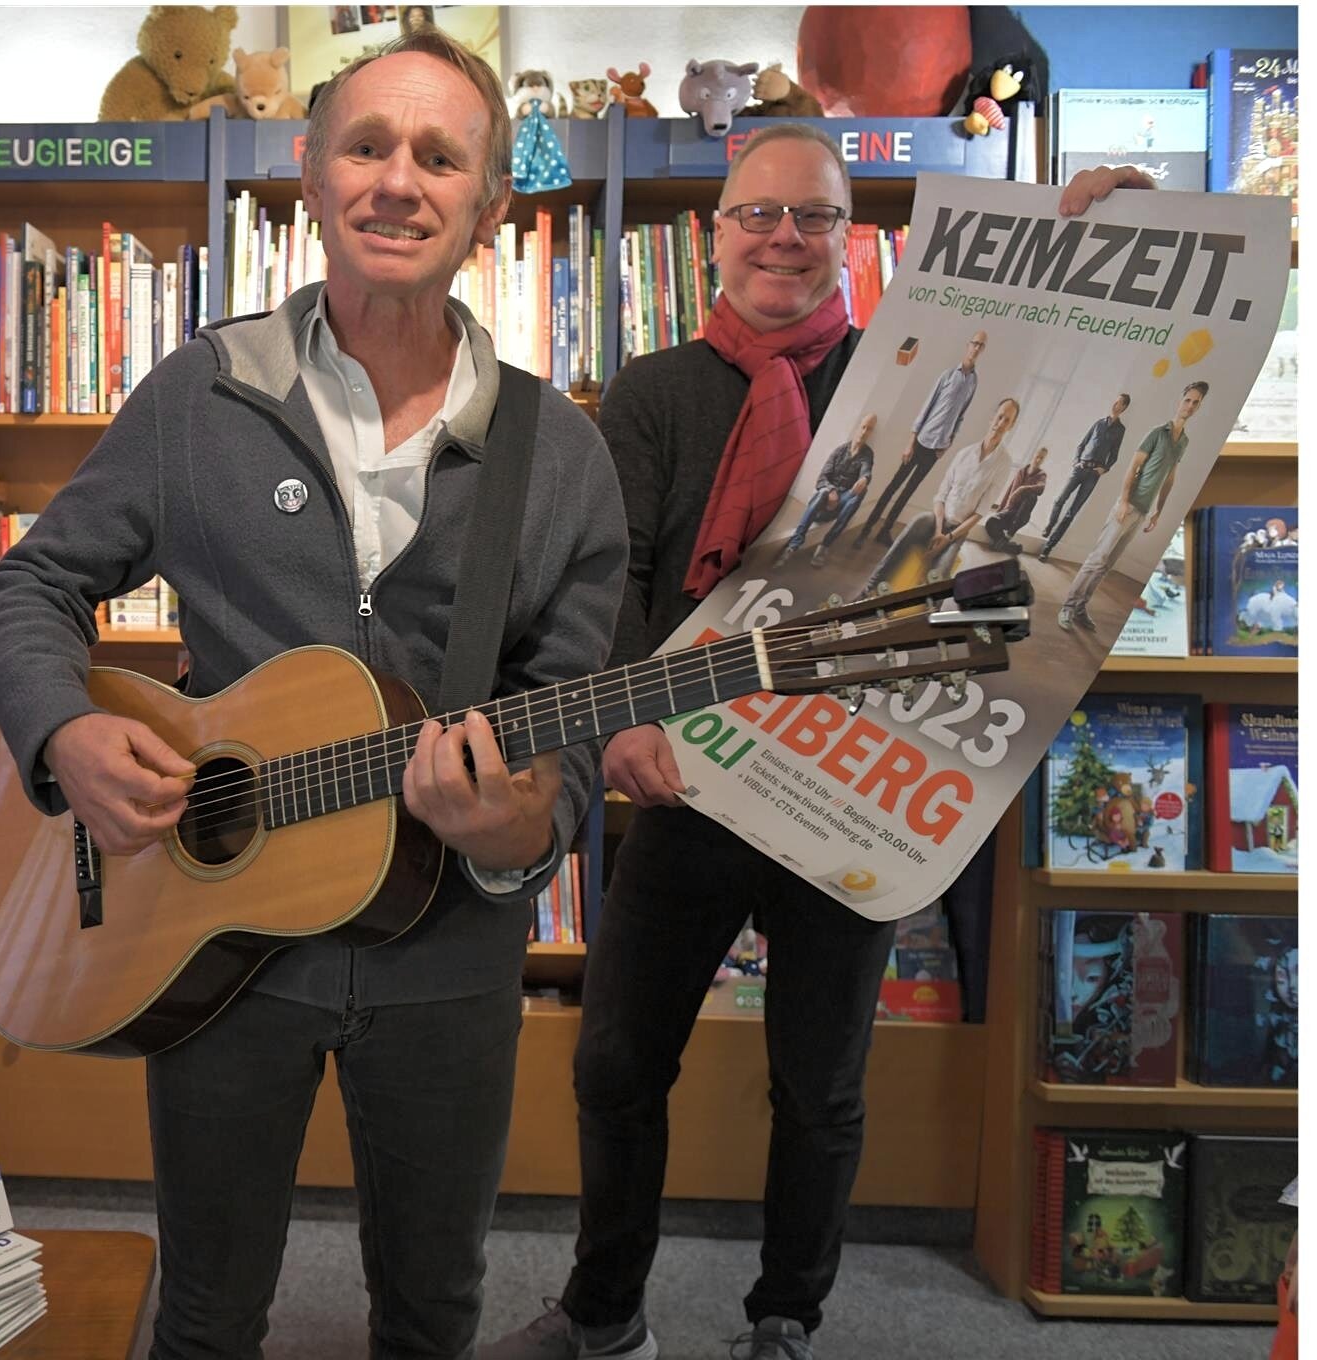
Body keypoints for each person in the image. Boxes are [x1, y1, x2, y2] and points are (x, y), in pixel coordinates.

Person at [0, 29, 626, 1360]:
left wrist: (514, 829)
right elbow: (30, 590)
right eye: (368, 146)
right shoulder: (200, 394)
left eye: (440, 156)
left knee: (435, 1309)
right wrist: (67, 730)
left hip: (447, 958)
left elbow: (566, 734)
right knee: (208, 1312)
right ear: (311, 177)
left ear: (489, 204)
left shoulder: (557, 453)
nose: (400, 180)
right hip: (212, 940)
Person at [483, 129, 1154, 1360]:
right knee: (619, 1064)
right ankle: (602, 1310)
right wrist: (624, 712)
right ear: (717, 235)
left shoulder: (906, 369)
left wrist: (1097, 226)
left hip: (846, 783)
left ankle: (787, 1316)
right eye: (758, 215)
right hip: (687, 779)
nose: (783, 236)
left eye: (813, 216)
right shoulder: (653, 390)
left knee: (822, 1087)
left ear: (849, 238)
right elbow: (616, 575)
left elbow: (1062, 353)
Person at [1058, 380, 1207, 634]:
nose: (1190, 406)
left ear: (1199, 407)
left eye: (1196, 403)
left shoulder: (1183, 442)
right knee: (1097, 559)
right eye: (1187, 400)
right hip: (1126, 507)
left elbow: (1169, 476)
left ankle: (1081, 608)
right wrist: (1124, 501)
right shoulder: (1156, 434)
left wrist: (1158, 510)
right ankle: (1067, 608)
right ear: (1179, 402)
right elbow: (1133, 467)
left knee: (1108, 565)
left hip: (1143, 511)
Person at [856, 395, 1020, 595]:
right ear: (992, 417)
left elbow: (980, 512)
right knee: (917, 522)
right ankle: (868, 589)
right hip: (938, 520)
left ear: (1011, 426)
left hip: (958, 531)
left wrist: (948, 537)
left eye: (1007, 420)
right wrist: (938, 531)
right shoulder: (964, 454)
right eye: (1000, 416)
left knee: (938, 578)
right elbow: (941, 495)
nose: (1001, 423)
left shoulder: (1003, 464)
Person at [851, 328, 985, 547]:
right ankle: (865, 531)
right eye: (975, 343)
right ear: (968, 345)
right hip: (921, 441)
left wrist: (949, 442)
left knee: (907, 492)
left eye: (981, 346)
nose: (977, 348)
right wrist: (910, 441)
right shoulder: (948, 376)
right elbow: (926, 408)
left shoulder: (973, 382)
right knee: (893, 487)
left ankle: (884, 531)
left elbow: (961, 415)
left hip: (936, 450)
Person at [772, 412, 874, 568]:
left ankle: (825, 546)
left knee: (862, 492)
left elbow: (866, 470)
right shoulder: (840, 451)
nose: (864, 432)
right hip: (823, 504)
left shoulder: (868, 454)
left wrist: (865, 479)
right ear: (858, 427)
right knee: (823, 492)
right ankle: (793, 544)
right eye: (863, 427)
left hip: (842, 505)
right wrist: (831, 490)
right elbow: (822, 478)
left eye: (869, 429)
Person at [1037, 393, 1129, 559]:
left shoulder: (1120, 430)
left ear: (1124, 407)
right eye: (1114, 400)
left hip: (1093, 475)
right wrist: (1076, 462)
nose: (1115, 404)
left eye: (1119, 402)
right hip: (1080, 468)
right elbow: (1082, 444)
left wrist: (1104, 469)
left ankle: (1047, 548)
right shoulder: (1099, 424)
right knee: (1060, 500)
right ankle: (1050, 525)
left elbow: (1114, 455)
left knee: (1072, 513)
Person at [984, 444, 1049, 550]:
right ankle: (1009, 546)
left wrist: (1022, 488)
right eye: (1037, 456)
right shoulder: (1022, 471)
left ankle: (1009, 535)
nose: (1038, 459)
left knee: (1032, 496)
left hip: (1021, 515)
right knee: (990, 522)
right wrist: (1000, 511)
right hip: (1010, 511)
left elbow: (1041, 488)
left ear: (1044, 460)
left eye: (1041, 458)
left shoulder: (1041, 475)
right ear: (1033, 455)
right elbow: (1010, 491)